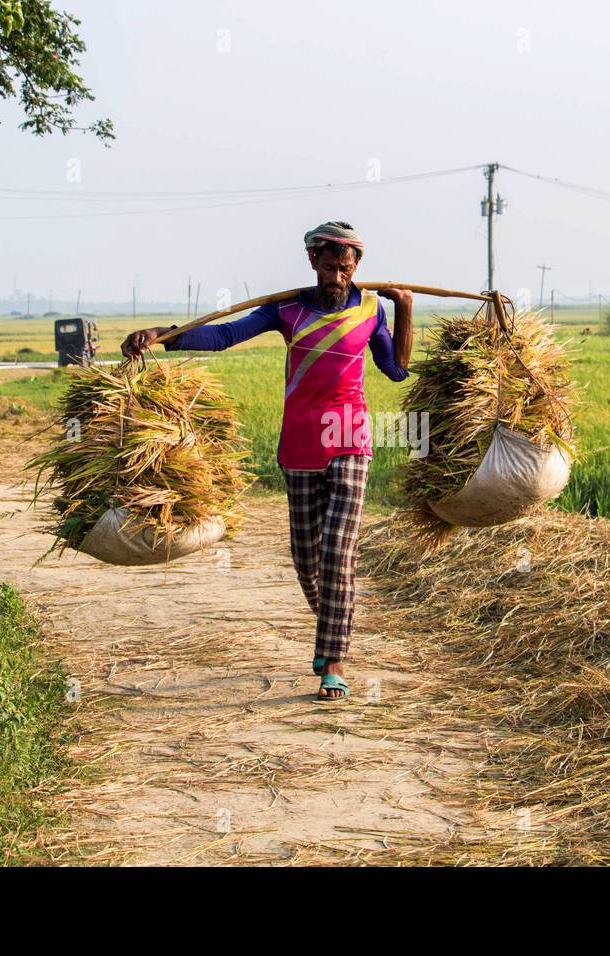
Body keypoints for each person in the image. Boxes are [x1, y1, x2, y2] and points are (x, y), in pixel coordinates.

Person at [120, 221, 413, 700]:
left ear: (357, 266)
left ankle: (332, 661)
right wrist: (162, 335)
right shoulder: (287, 309)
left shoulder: (371, 308)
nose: (337, 276)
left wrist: (404, 310)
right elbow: (224, 336)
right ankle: (332, 627)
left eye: (345, 267)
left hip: (350, 437)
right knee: (307, 561)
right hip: (299, 444)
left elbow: (396, 371)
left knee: (339, 553)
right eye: (328, 266)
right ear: (312, 261)